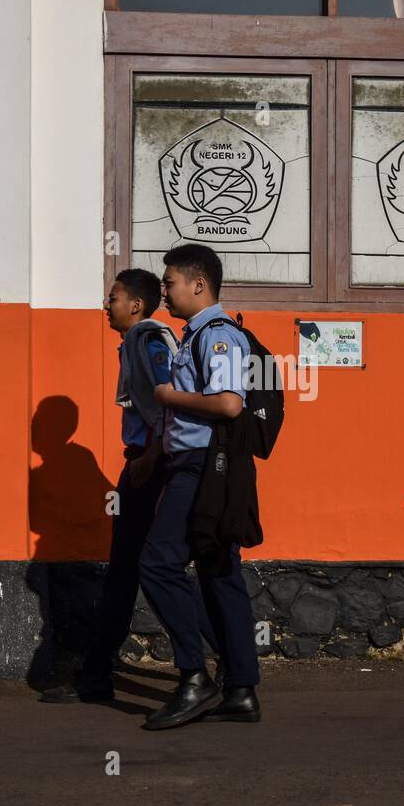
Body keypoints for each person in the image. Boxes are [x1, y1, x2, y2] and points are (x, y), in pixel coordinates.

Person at [40, 268, 219, 704]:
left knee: (148, 568)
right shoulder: (136, 343)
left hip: (150, 465)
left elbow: (167, 399)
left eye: (113, 297)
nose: (107, 304)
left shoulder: (148, 340)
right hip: (146, 463)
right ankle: (99, 673)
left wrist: (151, 458)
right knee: (132, 570)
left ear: (135, 305)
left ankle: (214, 662)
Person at [138, 243, 262, 730]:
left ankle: (195, 675)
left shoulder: (217, 335)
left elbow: (229, 404)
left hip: (203, 466)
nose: (163, 291)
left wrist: (170, 395)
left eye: (169, 282)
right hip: (198, 463)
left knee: (158, 562)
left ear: (198, 284)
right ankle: (241, 689)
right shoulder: (197, 334)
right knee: (217, 572)